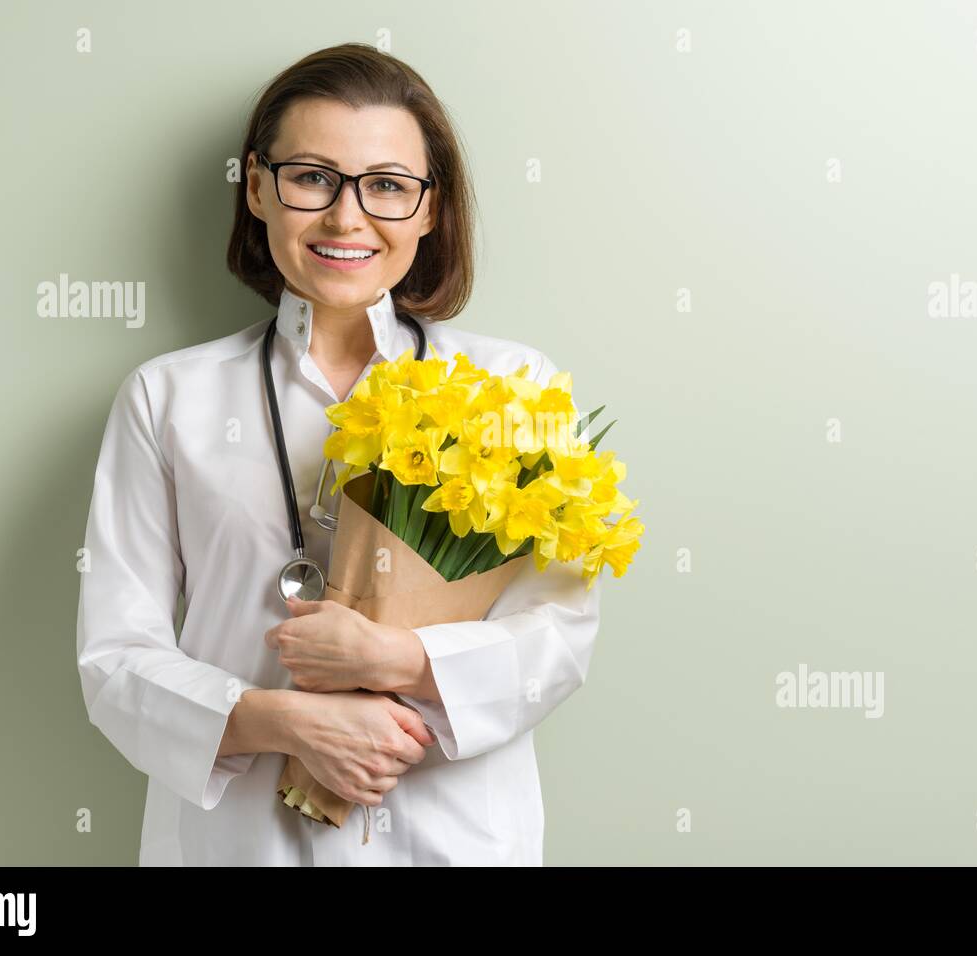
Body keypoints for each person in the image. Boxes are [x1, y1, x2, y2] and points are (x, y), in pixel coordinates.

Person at [75, 43, 600, 865]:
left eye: (388, 185)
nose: (347, 218)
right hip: (238, 839)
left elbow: (559, 635)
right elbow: (114, 656)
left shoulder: (514, 387)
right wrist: (280, 718)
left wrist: (401, 659)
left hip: (452, 833)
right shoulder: (166, 397)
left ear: (431, 211)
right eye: (313, 177)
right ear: (257, 187)